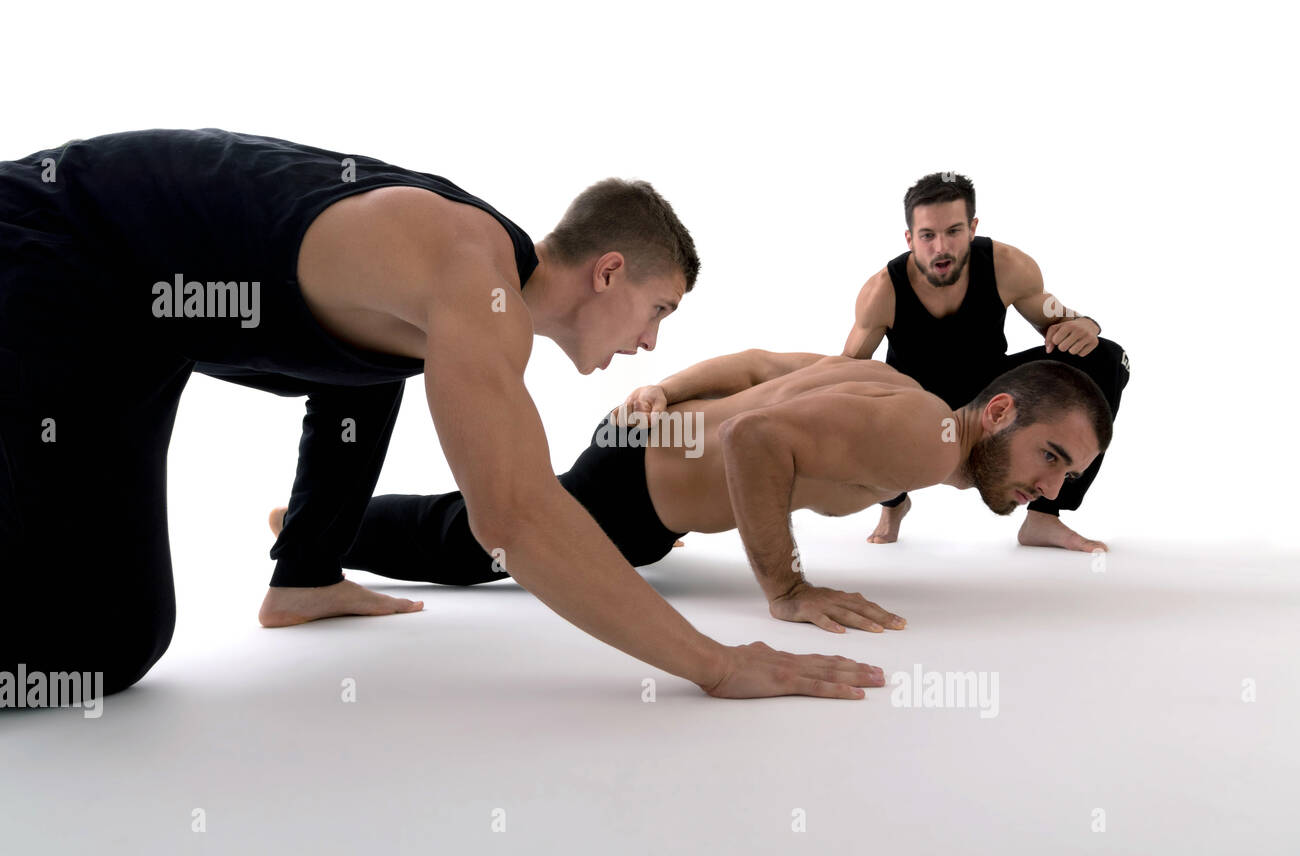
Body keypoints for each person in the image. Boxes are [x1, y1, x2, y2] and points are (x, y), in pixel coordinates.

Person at [0, 128, 883, 704]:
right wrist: (716, 663)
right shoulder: (474, 277)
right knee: (103, 644)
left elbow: (356, 383)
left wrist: (308, 564)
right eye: (660, 310)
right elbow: (514, 517)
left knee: (364, 368)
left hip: (133, 313)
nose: (653, 345)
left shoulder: (446, 293)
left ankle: (301, 584)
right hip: (54, 251)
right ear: (609, 272)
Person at [290, 350, 1112, 633]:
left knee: (484, 526)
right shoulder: (932, 444)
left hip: (643, 457)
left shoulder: (901, 390)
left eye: (1066, 475)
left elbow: (759, 370)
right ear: (997, 411)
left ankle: (316, 531)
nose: (1049, 486)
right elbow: (758, 439)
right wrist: (785, 587)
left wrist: (664, 390)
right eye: (1050, 455)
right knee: (480, 543)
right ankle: (310, 539)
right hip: (634, 491)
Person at [842, 173, 1131, 552]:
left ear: (973, 227)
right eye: (928, 235)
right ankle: (893, 504)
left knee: (1106, 357)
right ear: (910, 238)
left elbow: (1060, 320)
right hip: (917, 401)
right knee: (860, 405)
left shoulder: (1008, 266)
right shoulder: (882, 291)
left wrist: (1086, 324)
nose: (941, 247)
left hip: (990, 388)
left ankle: (1045, 515)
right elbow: (845, 374)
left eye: (954, 231)